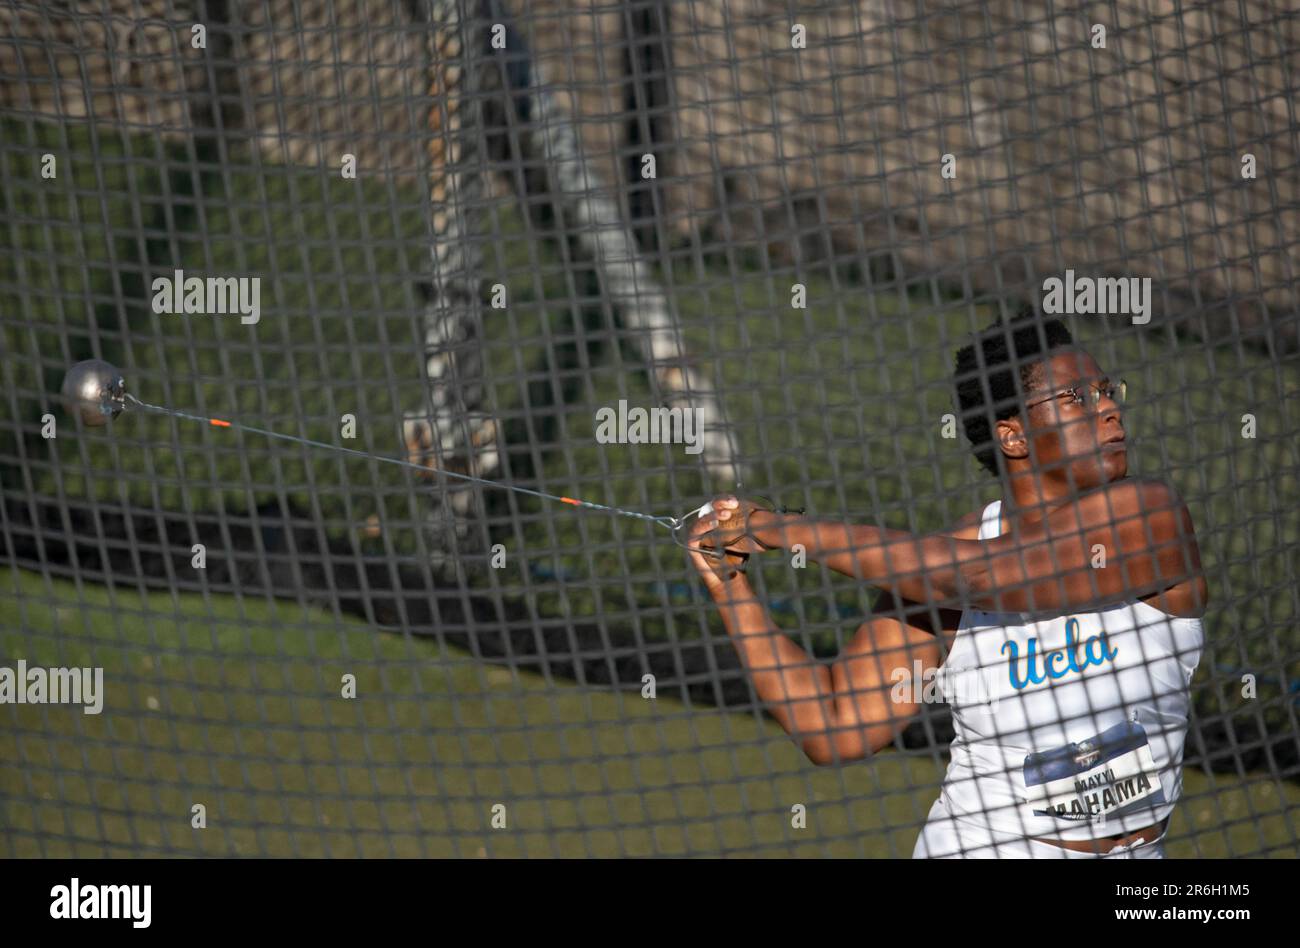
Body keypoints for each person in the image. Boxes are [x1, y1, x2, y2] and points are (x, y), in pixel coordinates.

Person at [685, 309, 1207, 858]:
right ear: (1013, 436)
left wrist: (775, 528)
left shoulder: (1149, 518)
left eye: (1106, 391)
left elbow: (979, 576)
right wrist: (730, 589)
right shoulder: (942, 569)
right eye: (1076, 398)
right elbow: (836, 727)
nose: (1108, 410)